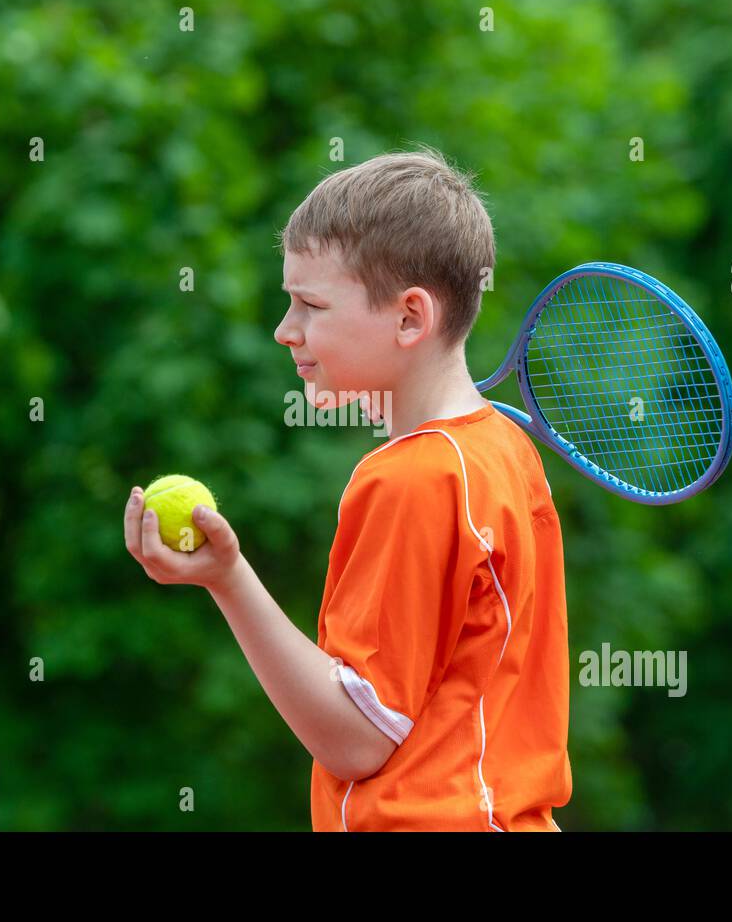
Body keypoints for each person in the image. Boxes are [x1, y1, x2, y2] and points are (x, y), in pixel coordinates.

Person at [125, 148, 571, 831]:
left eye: (310, 305)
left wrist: (228, 578)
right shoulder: (502, 455)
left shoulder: (410, 479)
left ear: (409, 319)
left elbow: (357, 738)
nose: (285, 331)